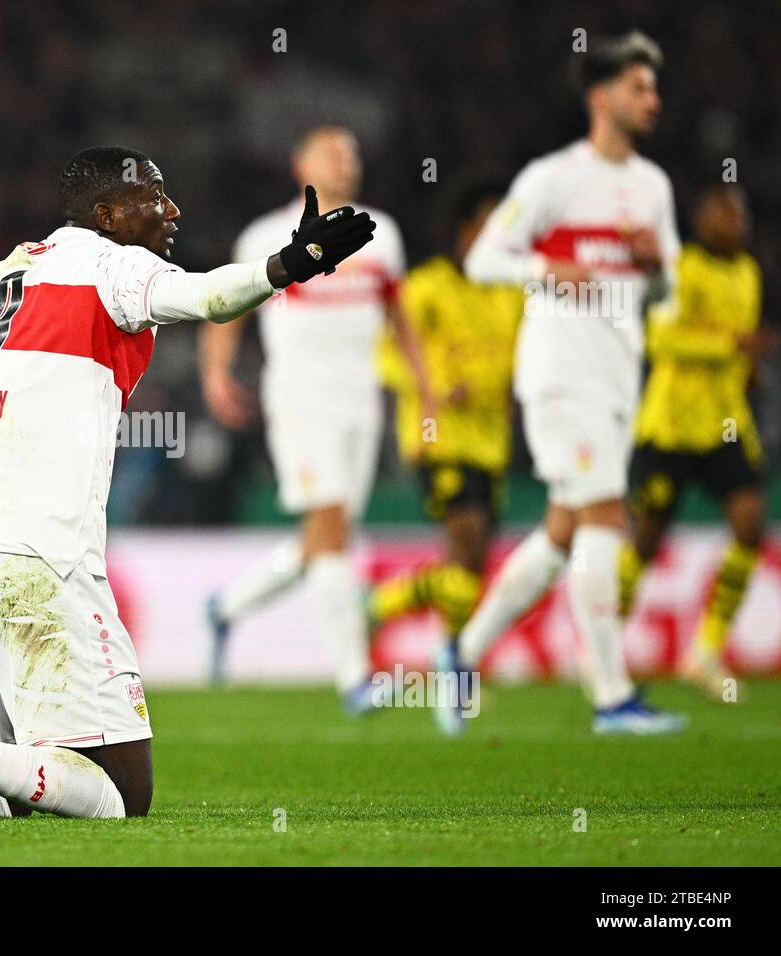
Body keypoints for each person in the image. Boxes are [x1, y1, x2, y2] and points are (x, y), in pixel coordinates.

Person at [0, 146, 376, 821]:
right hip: (40, 552)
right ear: (109, 214)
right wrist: (289, 266)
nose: (172, 209)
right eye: (155, 195)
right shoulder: (117, 267)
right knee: (121, 793)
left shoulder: (12, 270)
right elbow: (209, 297)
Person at [439, 31, 686, 735]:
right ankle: (611, 697)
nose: (653, 100)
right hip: (559, 374)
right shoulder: (553, 178)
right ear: (601, 96)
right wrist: (545, 271)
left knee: (562, 528)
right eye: (640, 87)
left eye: (654, 87)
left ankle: (464, 650)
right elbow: (483, 258)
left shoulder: (653, 187)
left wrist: (654, 265)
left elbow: (662, 296)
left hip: (615, 375)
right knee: (608, 516)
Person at [200, 126, 432, 712]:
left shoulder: (382, 234)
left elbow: (400, 317)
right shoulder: (268, 234)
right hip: (300, 398)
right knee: (329, 527)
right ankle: (356, 677)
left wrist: (424, 390)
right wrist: (216, 374)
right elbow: (226, 305)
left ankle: (226, 606)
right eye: (332, 151)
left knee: (327, 538)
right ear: (298, 162)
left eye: (353, 151)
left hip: (363, 399)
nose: (345, 161)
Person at [620, 183, 775, 699]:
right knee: (645, 540)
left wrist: (748, 367)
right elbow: (662, 339)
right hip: (670, 426)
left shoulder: (749, 273)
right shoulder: (679, 268)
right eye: (724, 212)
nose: (735, 221)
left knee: (751, 526)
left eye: (740, 212)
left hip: (725, 426)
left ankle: (704, 651)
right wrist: (731, 345)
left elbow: (740, 345)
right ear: (700, 218)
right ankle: (603, 642)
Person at [367, 182, 523, 654]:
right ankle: (451, 656)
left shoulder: (511, 294)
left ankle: (385, 606)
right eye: (489, 226)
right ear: (465, 230)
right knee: (469, 541)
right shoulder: (426, 287)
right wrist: (434, 386)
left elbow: (525, 359)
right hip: (438, 438)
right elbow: (386, 356)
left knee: (469, 567)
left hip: (490, 441)